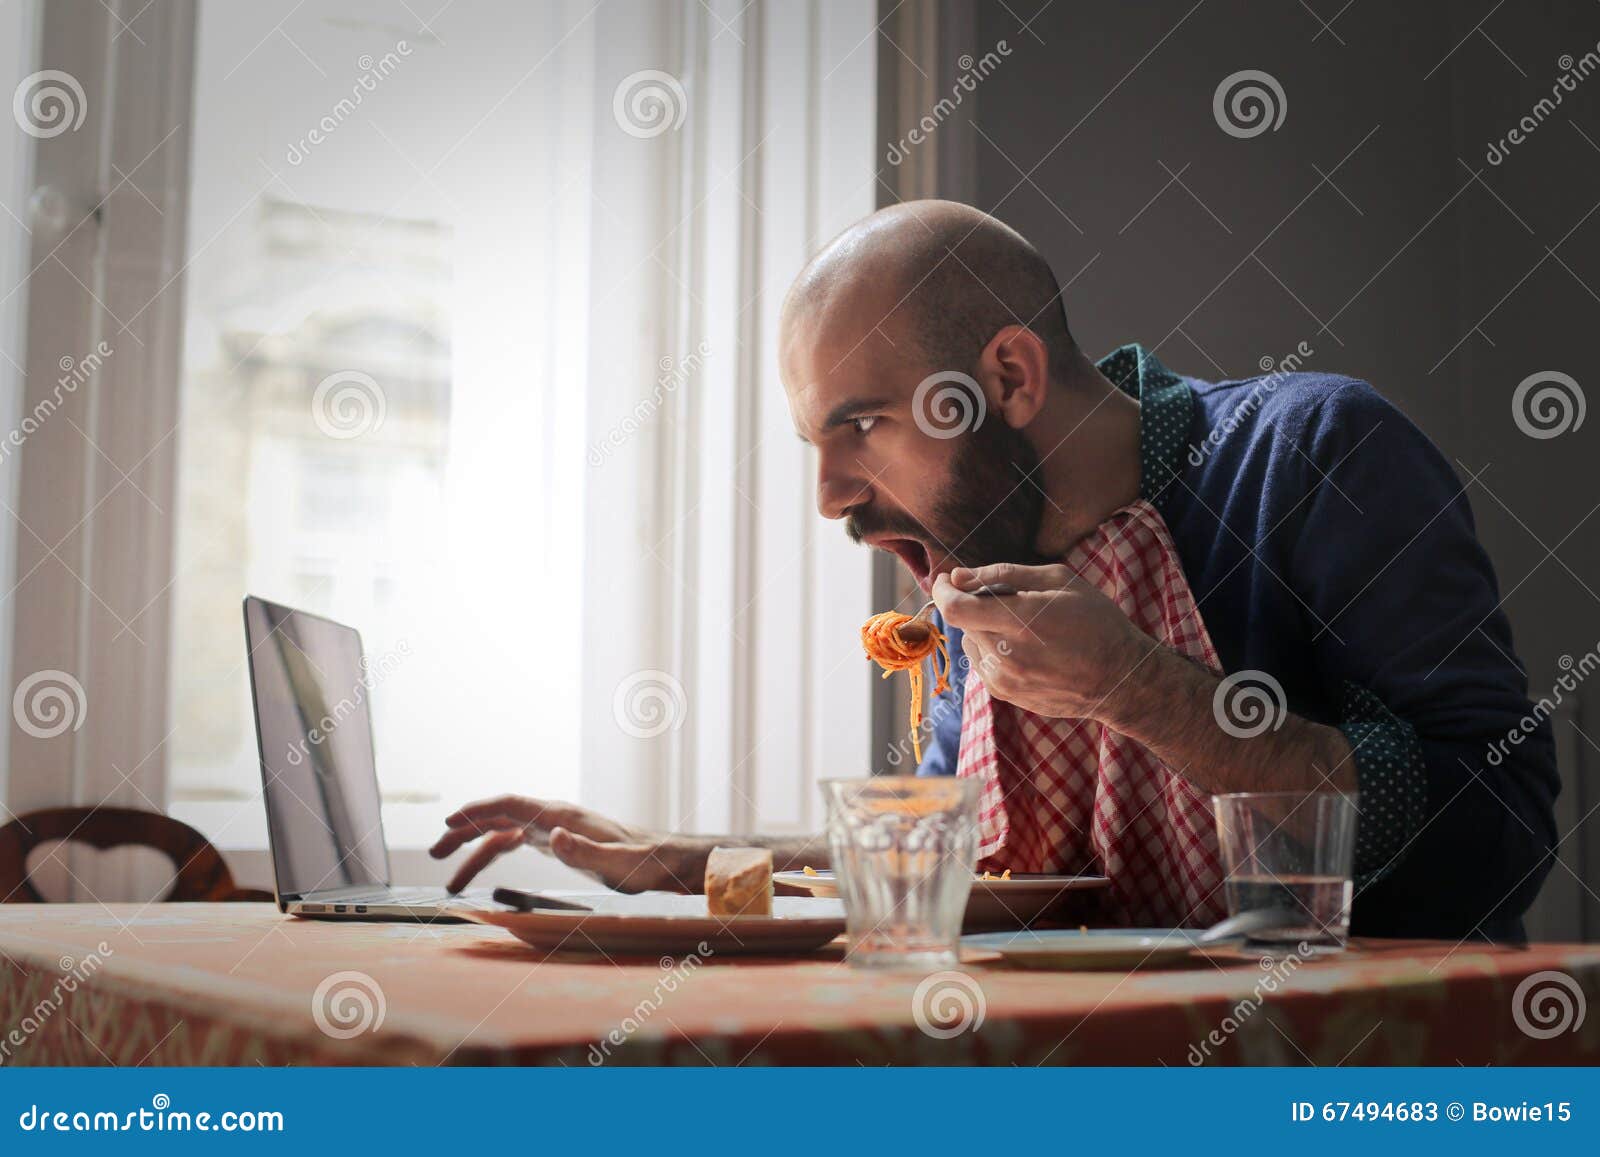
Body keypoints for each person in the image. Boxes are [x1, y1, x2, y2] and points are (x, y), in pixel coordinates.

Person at [431, 200, 1558, 939]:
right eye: (814, 444)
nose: (827, 492)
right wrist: (686, 860)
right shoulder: (983, 562)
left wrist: (1140, 688)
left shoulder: (1314, 454)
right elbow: (961, 857)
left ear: (1008, 377)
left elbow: (1501, 832)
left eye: (860, 424)